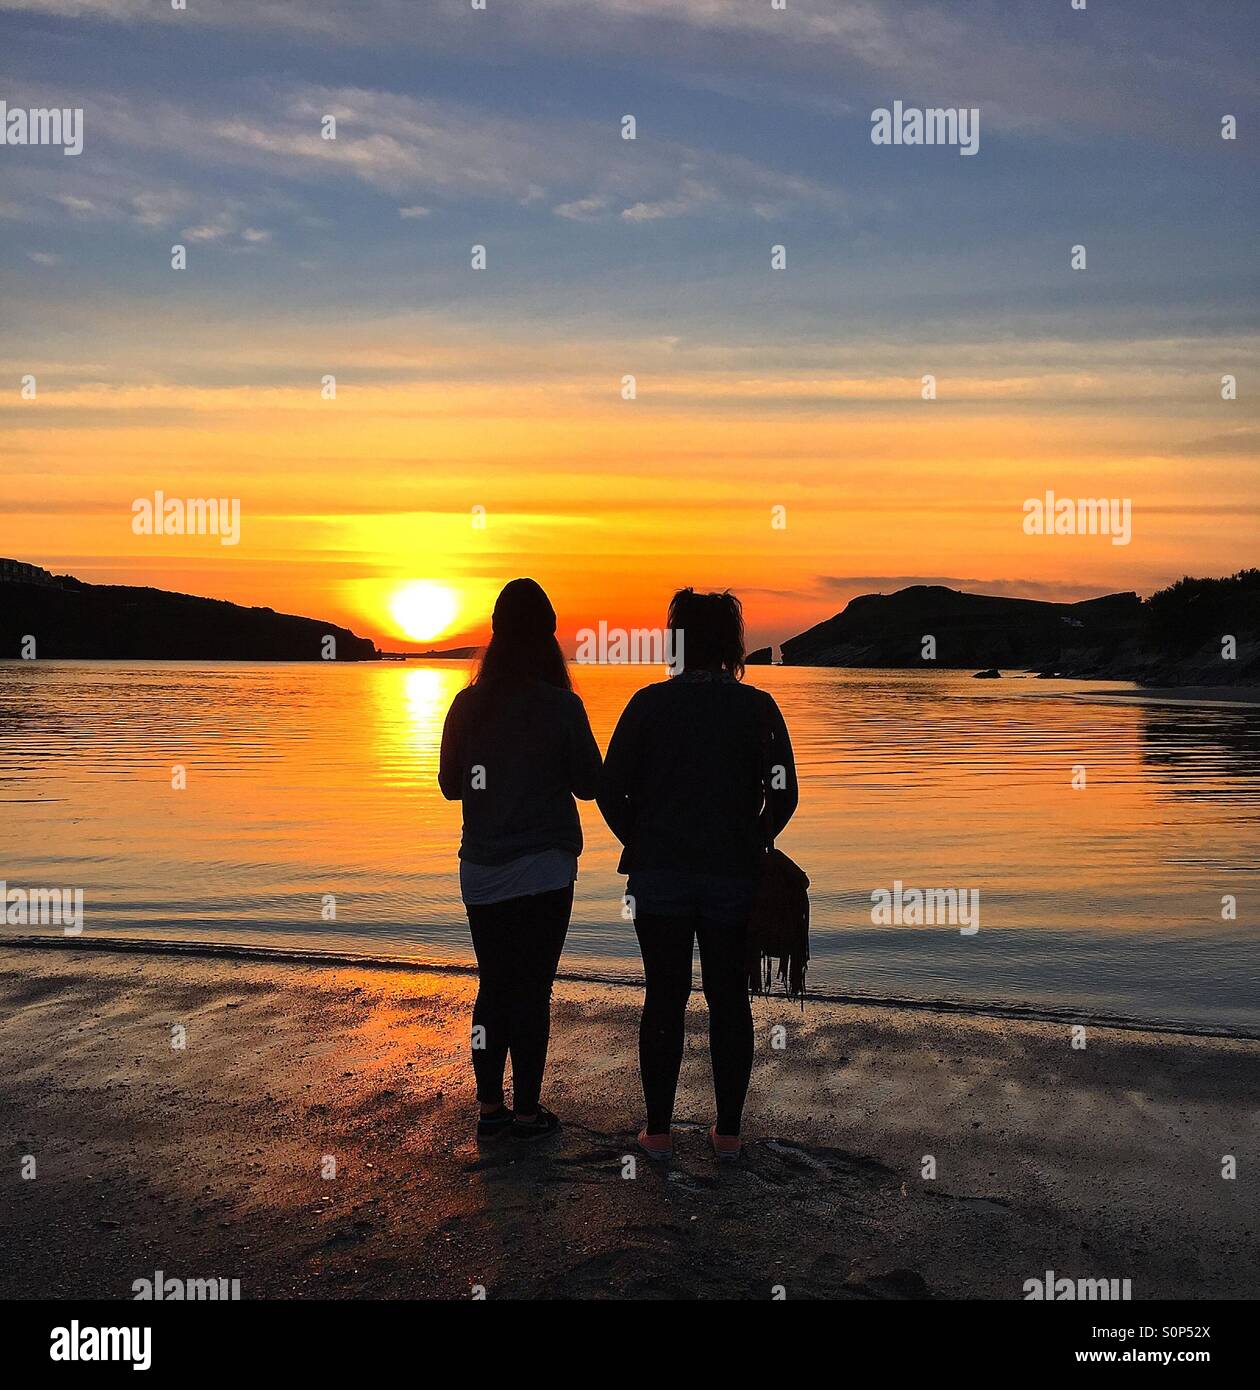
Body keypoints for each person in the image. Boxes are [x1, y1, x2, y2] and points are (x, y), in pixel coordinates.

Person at [598, 588, 798, 1163]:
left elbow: (610, 790)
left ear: (676, 640)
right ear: (732, 644)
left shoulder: (647, 704)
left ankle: (657, 1133)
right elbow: (785, 793)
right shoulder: (757, 707)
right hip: (733, 874)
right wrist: (757, 836)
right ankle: (728, 1134)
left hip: (658, 873)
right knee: (729, 998)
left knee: (664, 995)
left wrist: (639, 838)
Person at [439, 578, 601, 1141]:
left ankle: (489, 1108)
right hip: (545, 867)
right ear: (548, 639)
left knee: (494, 983)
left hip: (482, 866)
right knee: (533, 988)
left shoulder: (467, 704)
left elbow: (449, 787)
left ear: (496, 635)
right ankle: (528, 1113)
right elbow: (589, 784)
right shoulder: (562, 706)